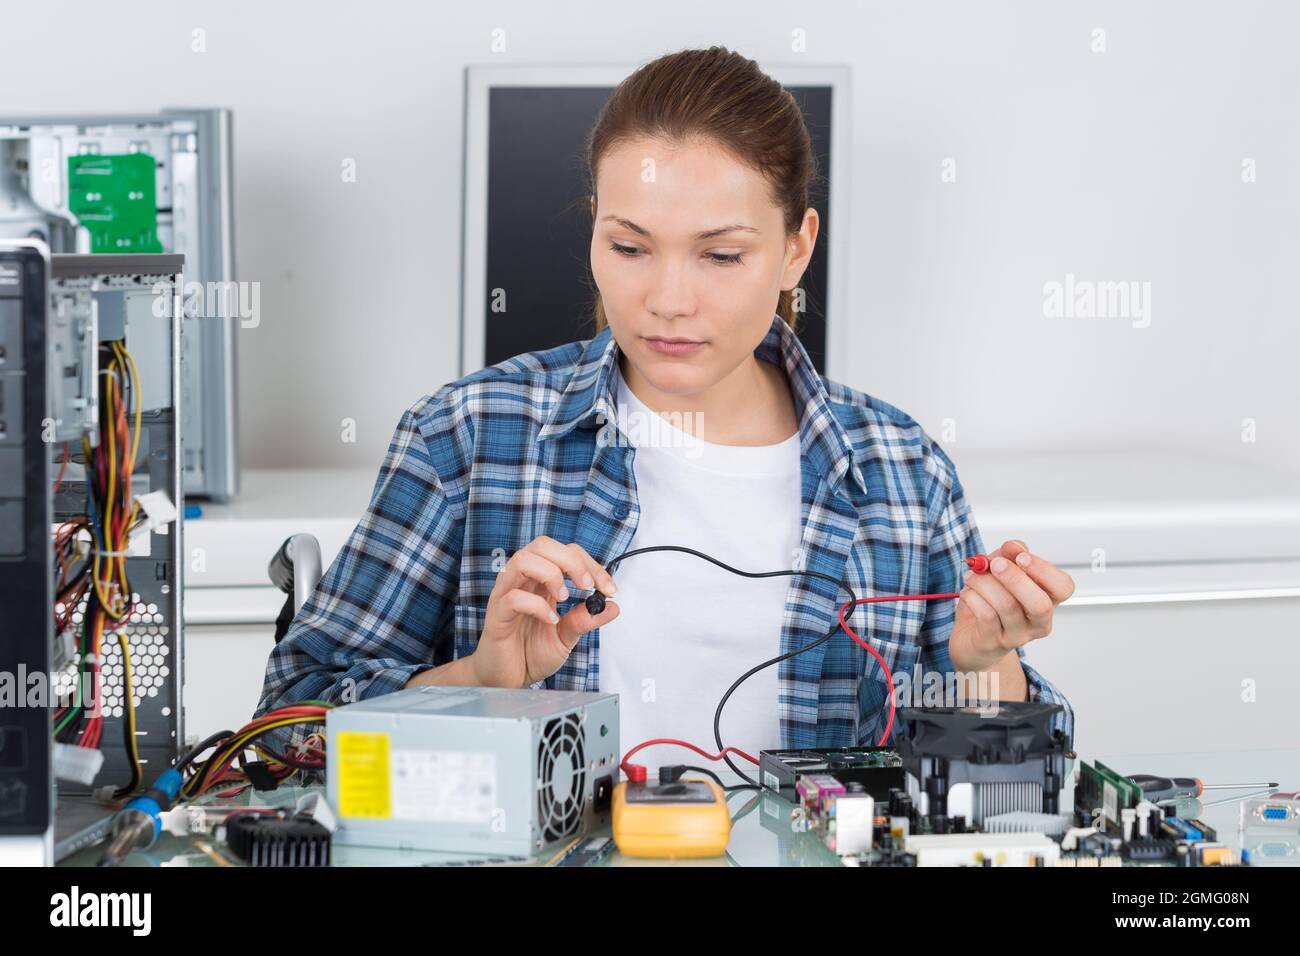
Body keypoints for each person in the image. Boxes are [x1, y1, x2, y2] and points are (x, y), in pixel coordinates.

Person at [254, 46, 1074, 768]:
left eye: (720, 255)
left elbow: (1019, 797)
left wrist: (984, 673)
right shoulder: (467, 437)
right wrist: (478, 682)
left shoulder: (903, 469)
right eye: (629, 247)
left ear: (797, 248)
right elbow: (280, 735)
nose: (667, 300)